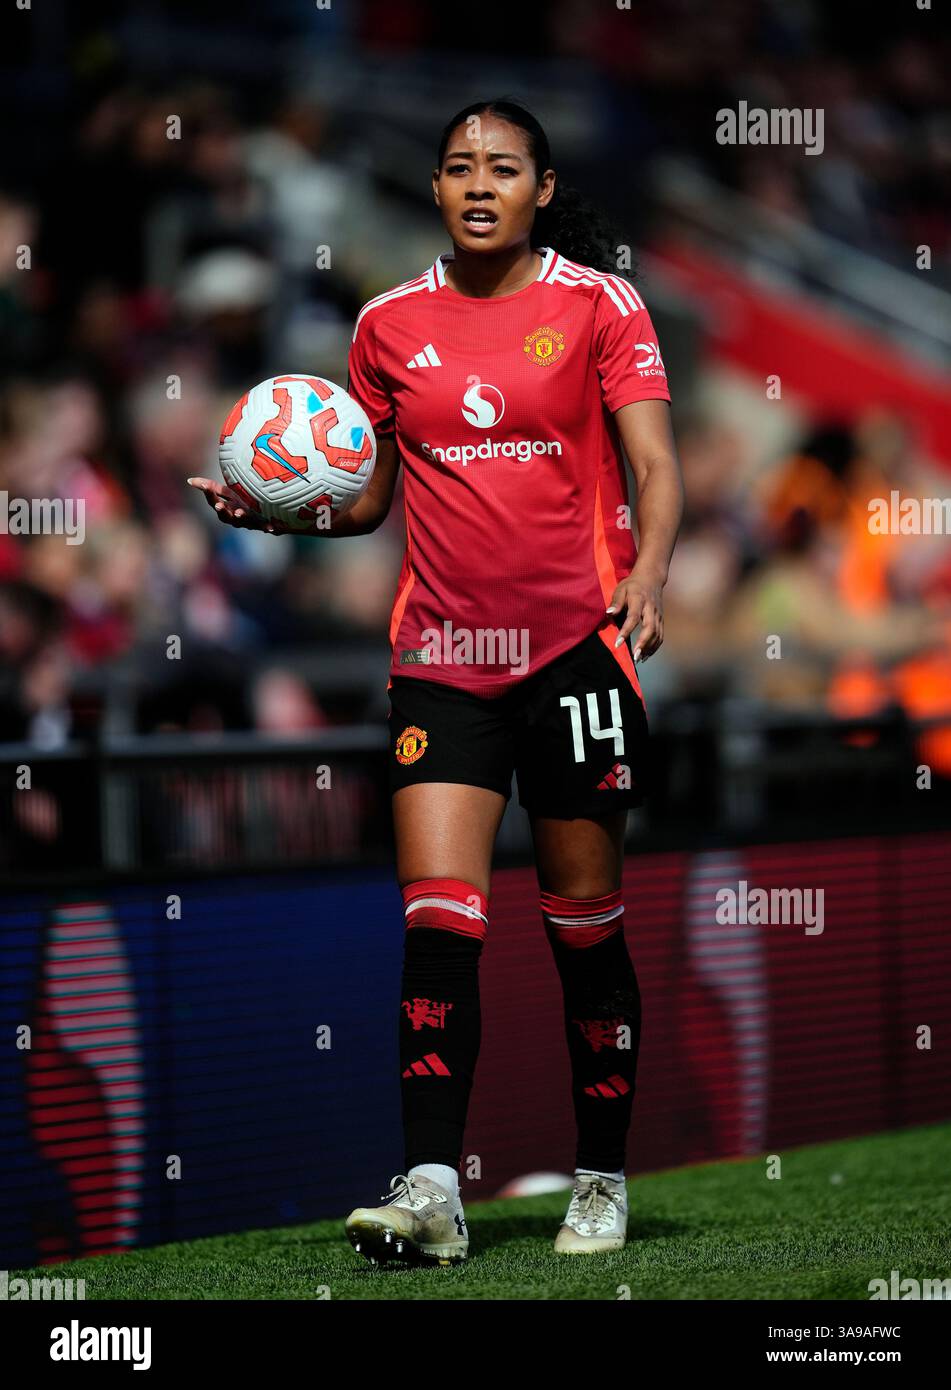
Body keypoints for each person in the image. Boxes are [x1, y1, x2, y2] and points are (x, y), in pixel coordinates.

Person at [189, 98, 684, 1264]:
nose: (477, 184)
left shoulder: (601, 307)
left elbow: (656, 467)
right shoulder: (385, 325)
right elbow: (362, 497)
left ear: (541, 190)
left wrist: (650, 574)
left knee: (583, 932)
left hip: (576, 655)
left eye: (502, 168)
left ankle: (601, 1179)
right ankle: (430, 1190)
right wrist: (274, 505)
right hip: (442, 666)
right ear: (435, 189)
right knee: (438, 928)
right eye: (459, 166)